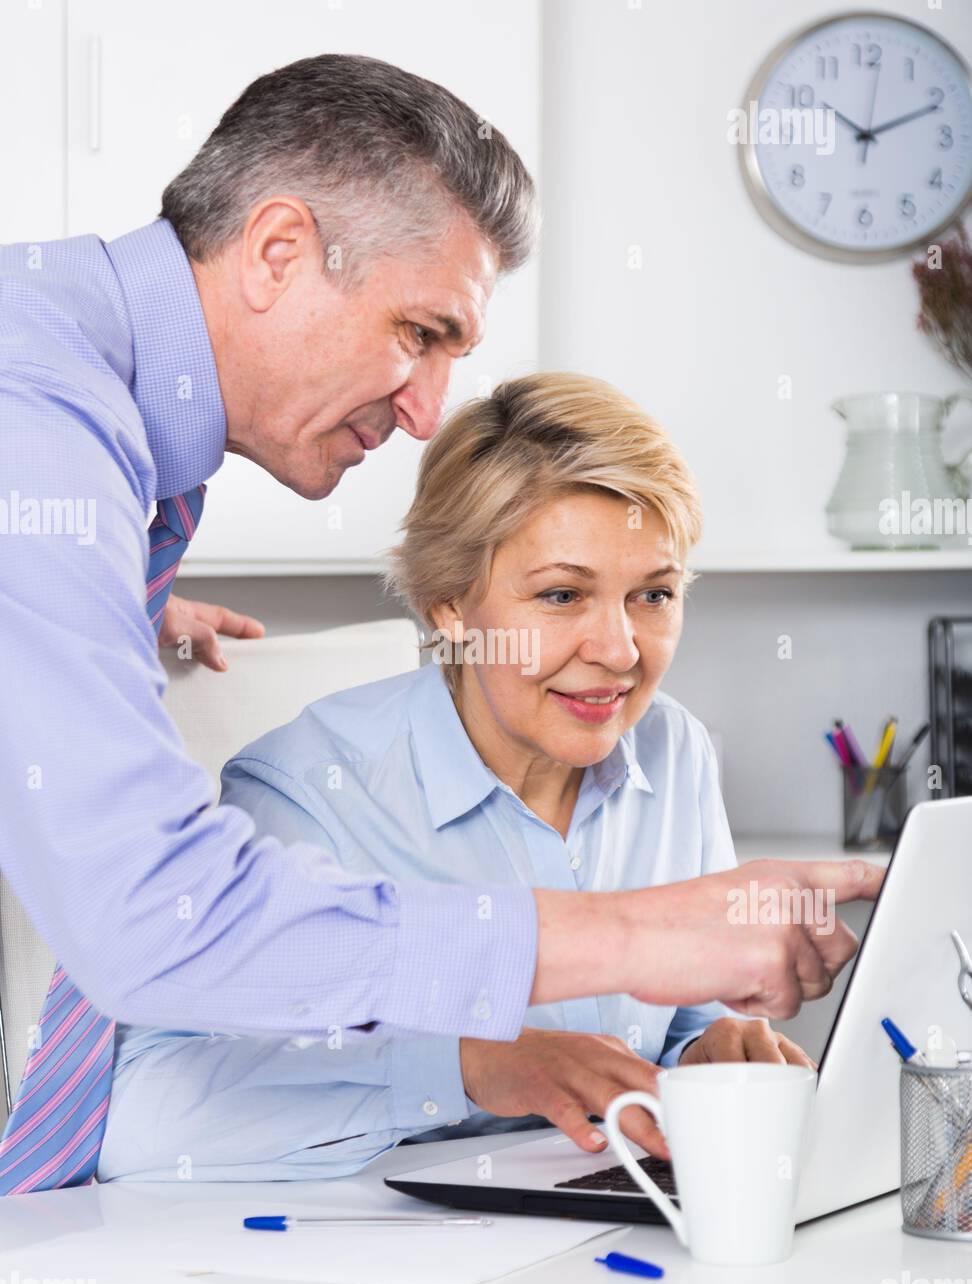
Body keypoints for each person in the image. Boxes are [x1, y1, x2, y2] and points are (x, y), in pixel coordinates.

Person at [0, 55, 876, 1196]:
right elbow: (149, 919)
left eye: (654, 592)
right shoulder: (37, 412)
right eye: (419, 332)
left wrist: (97, 601)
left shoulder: (83, 453)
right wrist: (632, 937)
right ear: (277, 251)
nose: (425, 417)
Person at [99, 374, 817, 1182]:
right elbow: (143, 1115)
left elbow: (683, 1024)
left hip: (604, 1226)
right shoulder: (311, 793)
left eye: (654, 594)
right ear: (449, 605)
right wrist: (465, 1067)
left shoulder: (672, 749)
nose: (619, 651)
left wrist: (712, 1052)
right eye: (562, 595)